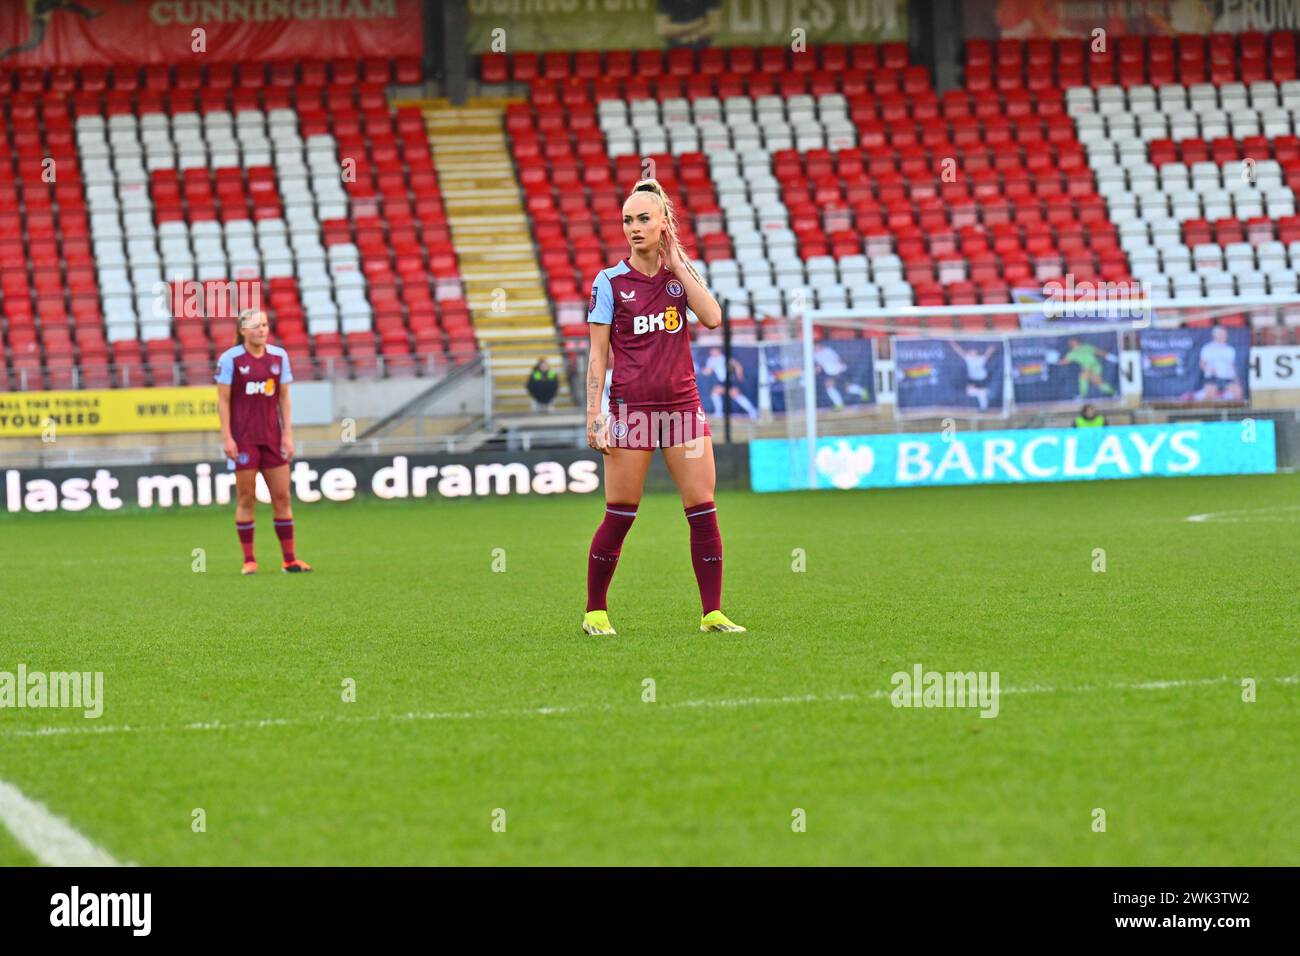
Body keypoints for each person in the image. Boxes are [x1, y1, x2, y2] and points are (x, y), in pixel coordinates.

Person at [582, 178, 745, 636]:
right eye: (627, 221)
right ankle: (595, 611)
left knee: (702, 508)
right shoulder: (609, 282)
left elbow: (712, 317)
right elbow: (598, 355)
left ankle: (712, 612)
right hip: (631, 412)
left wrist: (676, 262)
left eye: (643, 219)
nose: (634, 228)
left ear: (663, 224)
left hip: (683, 411)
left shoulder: (679, 281)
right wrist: (594, 414)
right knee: (619, 512)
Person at [215, 308, 312, 575]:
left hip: (272, 438)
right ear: (243, 330)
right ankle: (249, 561)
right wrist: (227, 437)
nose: (262, 330)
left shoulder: (279, 356)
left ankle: (289, 560)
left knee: (282, 496)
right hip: (244, 440)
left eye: (265, 325)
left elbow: (284, 398)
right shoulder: (230, 359)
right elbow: (222, 400)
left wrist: (288, 434)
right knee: (247, 499)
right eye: (256, 326)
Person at [0, 1, 102, 60]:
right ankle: (87, 13)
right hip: (38, 8)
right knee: (60, 3)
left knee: (34, 43)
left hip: (40, 15)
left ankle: (8, 51)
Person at [701, 346, 759, 420]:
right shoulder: (711, 360)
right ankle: (719, 413)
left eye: (714, 351)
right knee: (715, 393)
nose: (712, 352)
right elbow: (708, 372)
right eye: (711, 351)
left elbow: (737, 365)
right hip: (721, 381)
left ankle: (753, 411)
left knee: (736, 395)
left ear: (718, 351)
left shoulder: (724, 358)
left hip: (730, 380)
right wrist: (701, 371)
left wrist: (739, 375)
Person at [1196, 326, 1243, 401]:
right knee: (1209, 393)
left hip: (1227, 378)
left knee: (1237, 392)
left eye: (1225, 334)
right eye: (1221, 334)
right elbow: (1202, 364)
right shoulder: (1207, 348)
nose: (1224, 336)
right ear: (1215, 336)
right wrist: (1210, 370)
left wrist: (1236, 379)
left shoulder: (1230, 349)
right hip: (1212, 378)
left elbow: (1232, 366)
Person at [948, 340, 996, 411]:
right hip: (973, 380)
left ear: (976, 353)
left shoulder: (981, 359)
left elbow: (988, 353)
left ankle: (984, 408)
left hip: (982, 380)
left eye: (973, 351)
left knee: (981, 394)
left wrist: (992, 347)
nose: (972, 352)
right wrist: (952, 343)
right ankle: (984, 395)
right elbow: (959, 351)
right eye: (970, 351)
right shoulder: (968, 359)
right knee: (971, 392)